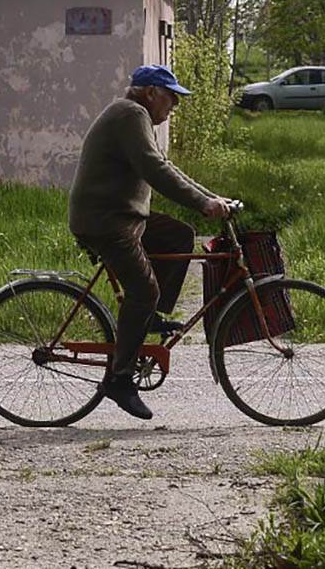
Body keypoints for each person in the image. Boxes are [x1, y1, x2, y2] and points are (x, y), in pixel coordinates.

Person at [68, 65, 231, 420]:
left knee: (179, 234)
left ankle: (149, 318)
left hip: (125, 216)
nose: (173, 105)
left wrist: (211, 197)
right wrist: (203, 203)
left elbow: (164, 165)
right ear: (151, 92)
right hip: (107, 222)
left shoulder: (134, 115)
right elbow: (154, 170)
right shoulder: (131, 113)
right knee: (143, 290)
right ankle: (120, 380)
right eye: (171, 97)